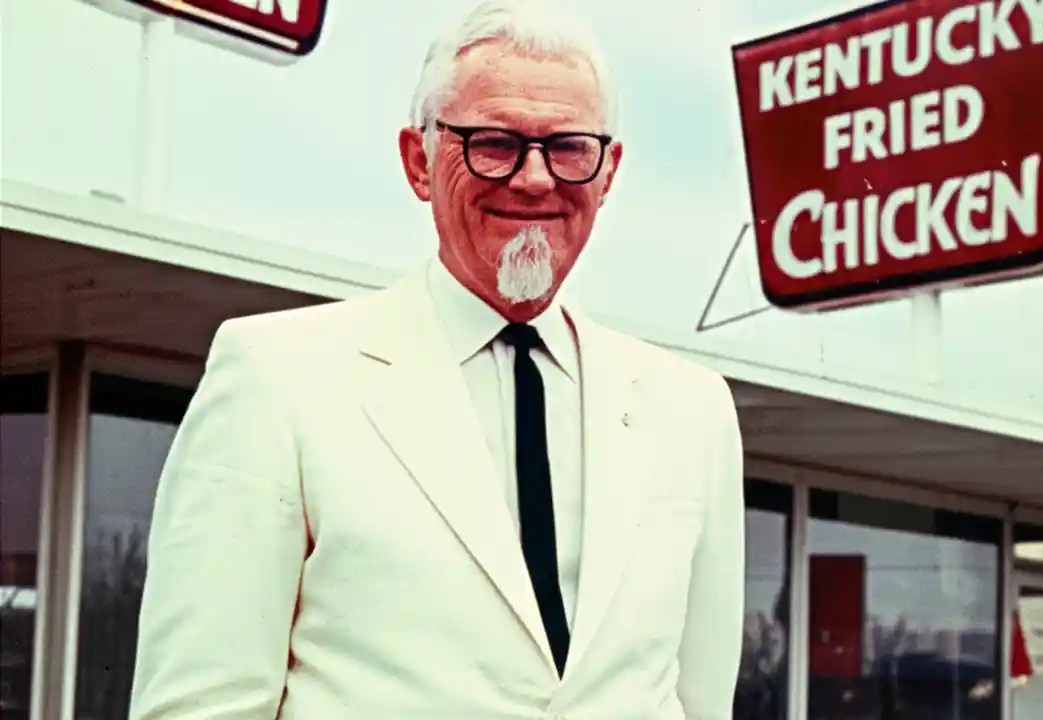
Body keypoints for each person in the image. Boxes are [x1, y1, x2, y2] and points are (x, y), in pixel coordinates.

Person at [127, 0, 746, 718]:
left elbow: (701, 702)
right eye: (493, 142)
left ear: (608, 173)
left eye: (570, 147)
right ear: (419, 161)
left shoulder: (691, 412)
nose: (535, 178)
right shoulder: (278, 377)